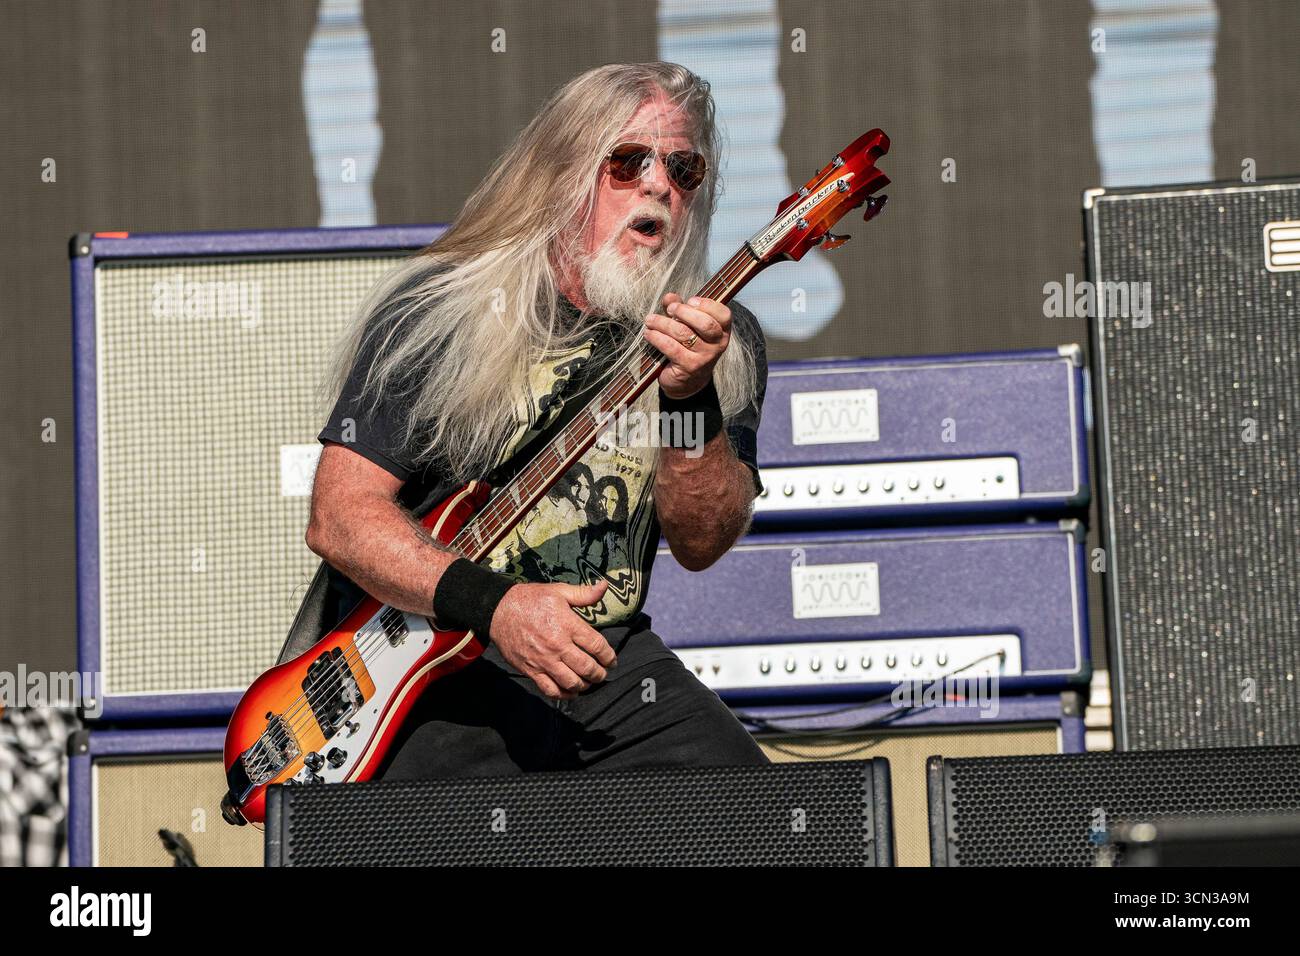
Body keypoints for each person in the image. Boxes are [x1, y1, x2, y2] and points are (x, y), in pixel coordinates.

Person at [298, 62, 770, 777]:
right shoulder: (441, 310)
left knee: (765, 816)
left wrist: (689, 398)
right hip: (440, 654)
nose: (657, 185)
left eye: (682, 167)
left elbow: (701, 540)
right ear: (564, 170)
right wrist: (498, 607)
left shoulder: (714, 343)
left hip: (603, 660)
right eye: (628, 160)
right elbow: (339, 516)